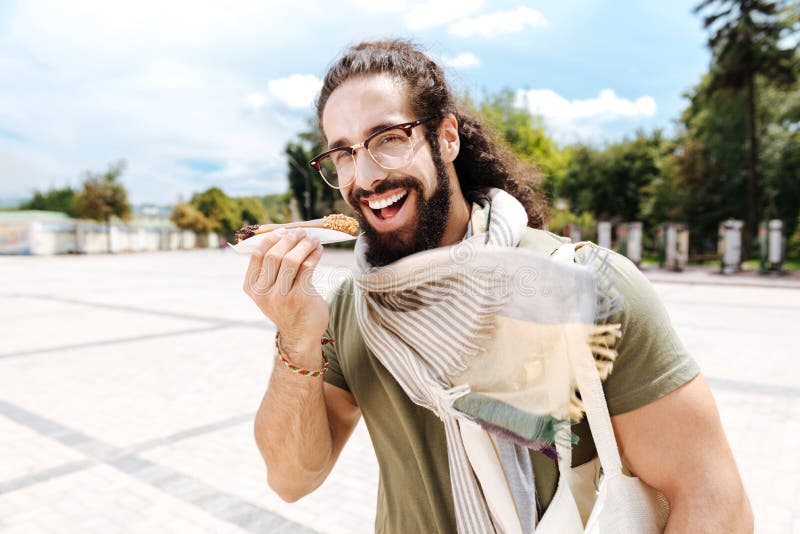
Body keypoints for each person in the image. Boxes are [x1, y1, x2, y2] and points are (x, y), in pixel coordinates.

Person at [247, 39, 752, 533]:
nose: (365, 176)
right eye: (343, 154)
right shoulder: (351, 309)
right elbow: (291, 479)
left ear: (447, 137)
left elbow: (713, 502)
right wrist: (297, 337)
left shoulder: (587, 286)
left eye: (389, 138)